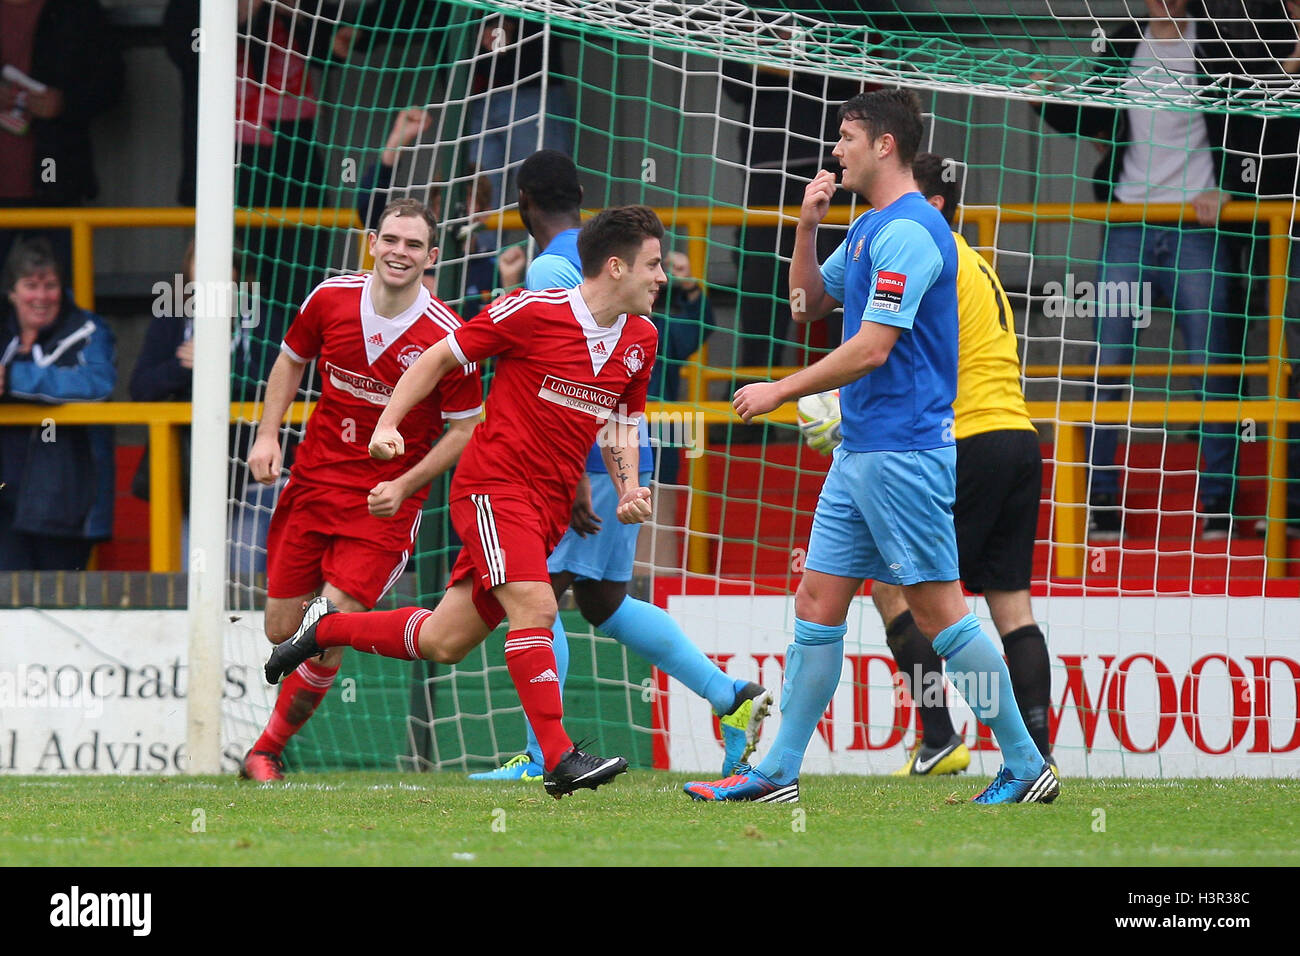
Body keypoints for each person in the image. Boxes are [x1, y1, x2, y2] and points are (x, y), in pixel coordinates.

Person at [683, 90, 1058, 805]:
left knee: (940, 613)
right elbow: (807, 306)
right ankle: (776, 774)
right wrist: (805, 229)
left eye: (847, 136)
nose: (836, 149)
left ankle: (1023, 761)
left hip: (905, 453)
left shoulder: (914, 233)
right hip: (860, 453)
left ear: (885, 145)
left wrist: (781, 389)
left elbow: (872, 350)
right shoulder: (866, 229)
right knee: (817, 600)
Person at [264, 205, 667, 799]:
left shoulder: (641, 339)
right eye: (653, 265)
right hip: (493, 488)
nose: (662, 276)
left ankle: (326, 630)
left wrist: (630, 486)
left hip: (548, 508)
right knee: (536, 604)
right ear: (616, 267)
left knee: (444, 642)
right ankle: (558, 757)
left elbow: (621, 422)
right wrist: (389, 423)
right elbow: (438, 357)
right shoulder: (530, 311)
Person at [467, 152, 768, 783]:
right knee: (602, 600)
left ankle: (538, 756)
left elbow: (562, 382)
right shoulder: (603, 253)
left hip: (577, 462)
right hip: (621, 454)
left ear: (523, 203)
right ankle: (728, 696)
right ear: (581, 196)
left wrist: (571, 478)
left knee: (535, 599)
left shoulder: (555, 266)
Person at [800, 153, 1055, 776]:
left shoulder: (922, 249)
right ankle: (1036, 755)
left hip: (959, 436)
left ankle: (942, 737)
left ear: (932, 204)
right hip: (1018, 435)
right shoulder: (979, 263)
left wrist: (809, 394)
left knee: (902, 592)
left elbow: (882, 348)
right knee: (1012, 605)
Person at [237, 199, 483, 781]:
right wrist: (267, 436)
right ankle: (269, 745)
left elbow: (466, 429)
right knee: (283, 628)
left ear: (432, 257)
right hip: (312, 483)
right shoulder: (329, 298)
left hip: (382, 503)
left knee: (331, 621)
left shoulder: (448, 336)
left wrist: (404, 485)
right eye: (391, 239)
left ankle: (265, 750)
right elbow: (290, 360)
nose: (400, 252)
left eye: (414, 244)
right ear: (372, 241)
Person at [1034, 0, 1254, 540]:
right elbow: (1096, 115)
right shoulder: (1123, 37)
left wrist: (1230, 186)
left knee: (1212, 363)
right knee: (1108, 359)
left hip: (1196, 228)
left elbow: (1251, 119)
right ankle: (1101, 495)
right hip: (1129, 221)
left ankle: (1217, 503)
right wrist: (1047, 96)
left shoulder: (1221, 41)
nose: (1165, 2)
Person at [0, 237, 116, 570]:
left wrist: (12, 379)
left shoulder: (88, 330)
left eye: (50, 285)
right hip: (5, 496)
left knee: (58, 607)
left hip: (63, 500)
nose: (41, 296)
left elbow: (97, 383)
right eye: (30, 286)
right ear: (12, 291)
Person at [0, 0, 124, 272]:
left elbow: (112, 82)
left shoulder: (75, 9)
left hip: (54, 180)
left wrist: (66, 103)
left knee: (53, 298)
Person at [465, 14, 574, 211]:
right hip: (471, 92)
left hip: (530, 83)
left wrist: (510, 21)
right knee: (474, 203)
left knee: (545, 195)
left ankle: (551, 244)